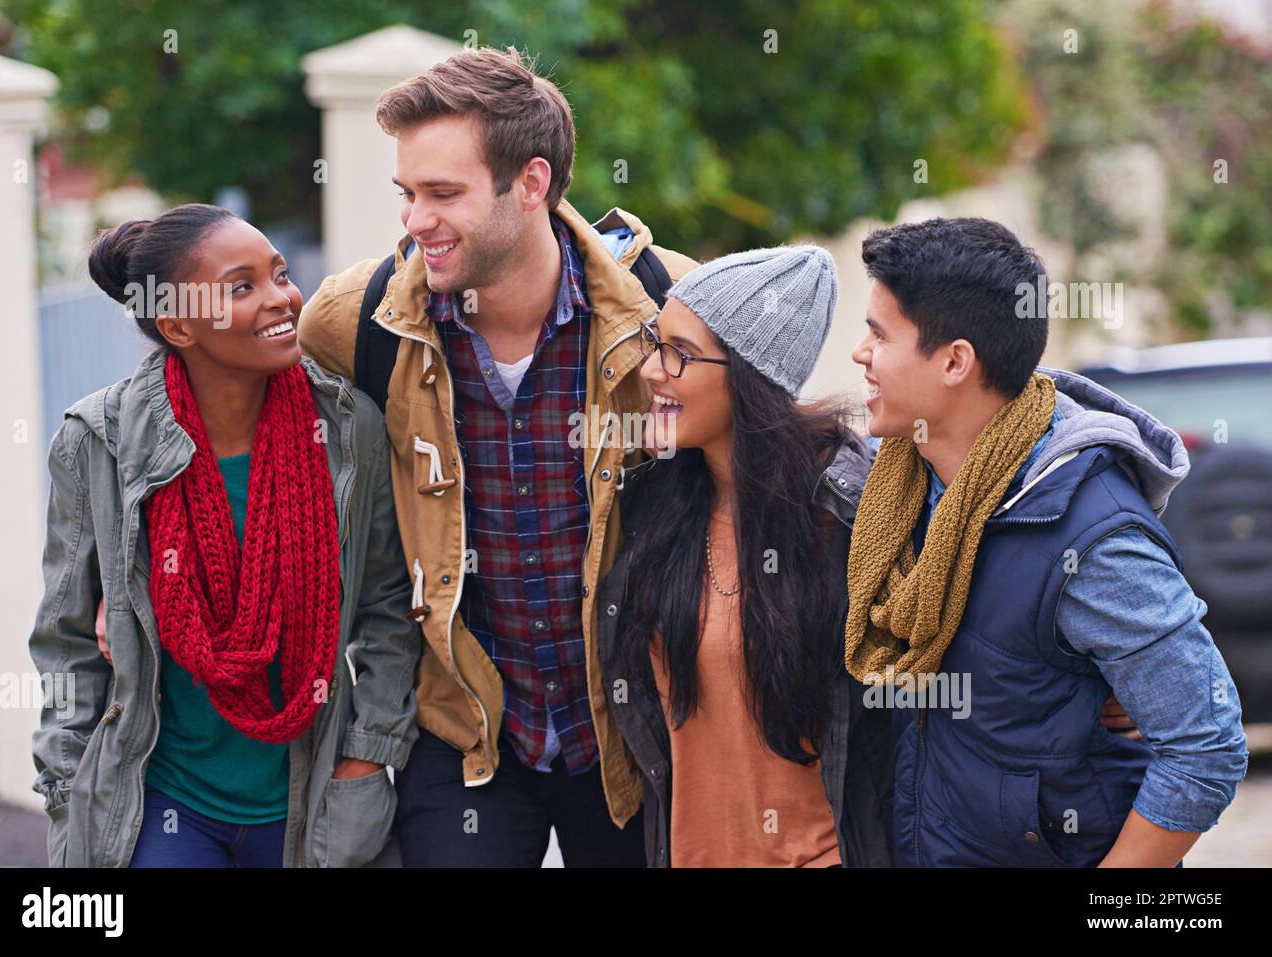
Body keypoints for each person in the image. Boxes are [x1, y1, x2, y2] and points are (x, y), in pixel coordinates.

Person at [296, 46, 698, 866]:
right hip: (465, 733)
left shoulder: (673, 309)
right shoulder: (355, 318)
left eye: (445, 194)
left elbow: (772, 468)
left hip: (634, 730)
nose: (415, 219)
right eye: (408, 194)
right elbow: (239, 415)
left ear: (533, 182)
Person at [847, 216, 1249, 867]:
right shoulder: (894, 493)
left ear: (955, 361)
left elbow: (1205, 744)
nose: (860, 354)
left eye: (878, 334)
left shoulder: (1092, 535)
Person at [29, 203, 422, 867]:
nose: (282, 299)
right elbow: (66, 638)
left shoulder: (346, 428)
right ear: (178, 323)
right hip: (166, 801)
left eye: (279, 274)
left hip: (310, 800)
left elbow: (388, 605)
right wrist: (68, 784)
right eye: (242, 288)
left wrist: (365, 755)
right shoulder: (99, 441)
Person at [596, 245, 895, 867]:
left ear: (749, 377)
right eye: (655, 341)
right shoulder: (654, 507)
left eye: (678, 352)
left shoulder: (848, 518)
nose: (652, 369)